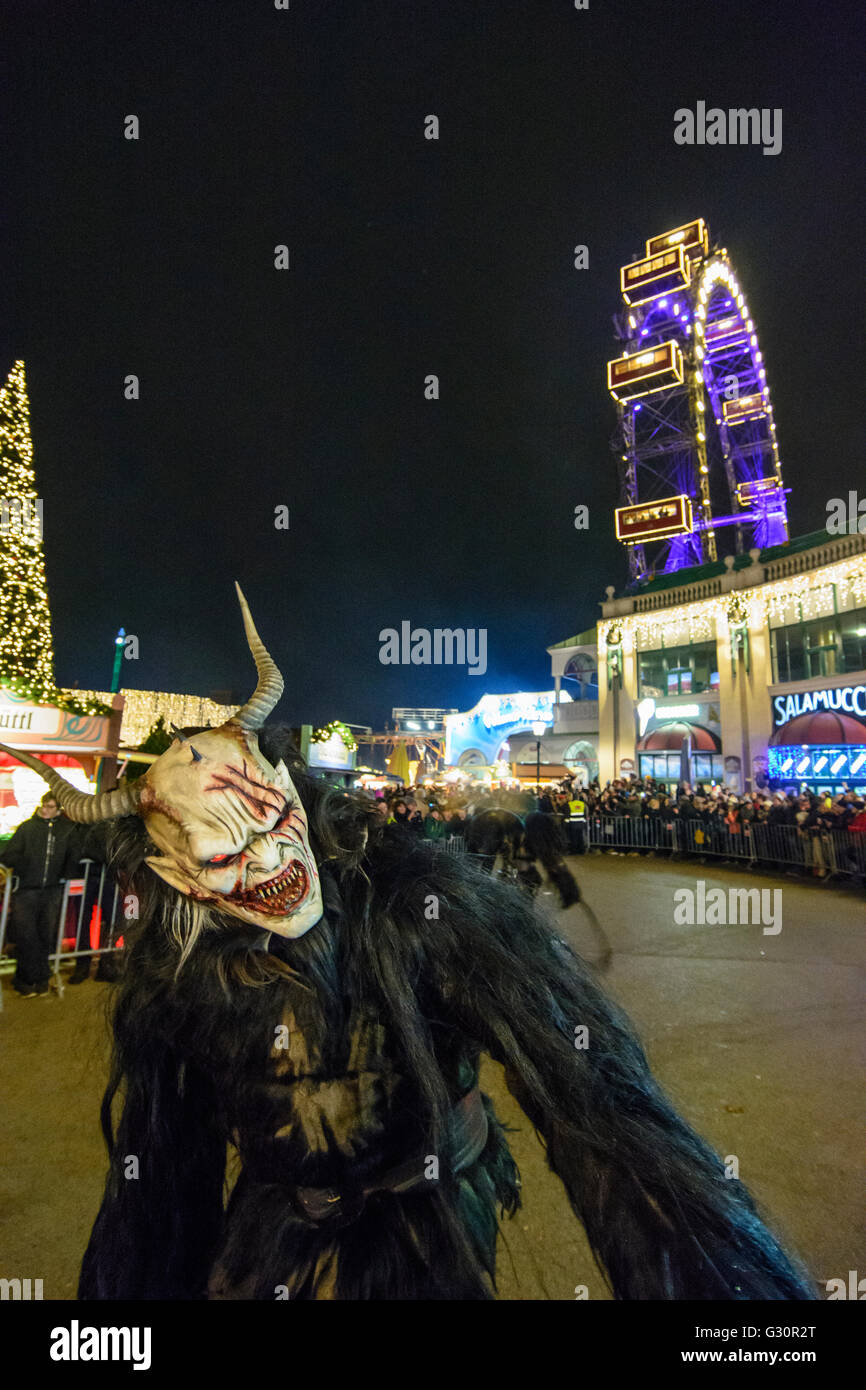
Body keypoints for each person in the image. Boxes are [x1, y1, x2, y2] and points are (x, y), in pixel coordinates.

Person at [0, 589, 815, 1300]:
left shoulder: (424, 905)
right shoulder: (179, 973)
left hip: (428, 1237)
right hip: (276, 1237)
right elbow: (156, 1195)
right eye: (227, 859)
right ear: (176, 874)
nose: (276, 867)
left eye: (279, 827)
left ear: (291, 791)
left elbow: (606, 1124)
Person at [0, 791, 82, 996]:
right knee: (27, 935)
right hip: (26, 890)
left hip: (52, 890)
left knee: (45, 935)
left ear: (58, 810)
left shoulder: (67, 830)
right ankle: (37, 978)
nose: (45, 810)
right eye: (44, 805)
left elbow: (75, 854)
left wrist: (67, 874)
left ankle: (30, 981)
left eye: (50, 807)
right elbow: (10, 854)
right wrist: (23, 865)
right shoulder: (28, 828)